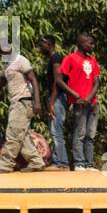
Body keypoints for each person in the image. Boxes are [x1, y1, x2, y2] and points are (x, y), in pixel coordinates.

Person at [60, 33, 102, 171]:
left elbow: (96, 82)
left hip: (92, 103)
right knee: (80, 133)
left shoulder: (92, 60)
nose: (92, 46)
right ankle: (79, 162)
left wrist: (90, 98)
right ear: (82, 43)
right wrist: (75, 95)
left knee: (91, 135)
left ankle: (89, 164)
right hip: (79, 103)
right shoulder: (70, 58)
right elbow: (60, 80)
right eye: (90, 43)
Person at [38, 34, 71, 170]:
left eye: (41, 44)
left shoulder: (56, 58)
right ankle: (60, 161)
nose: (40, 48)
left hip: (57, 98)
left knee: (56, 130)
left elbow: (58, 81)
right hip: (55, 98)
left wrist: (51, 102)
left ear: (49, 44)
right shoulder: (53, 59)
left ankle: (61, 163)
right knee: (55, 130)